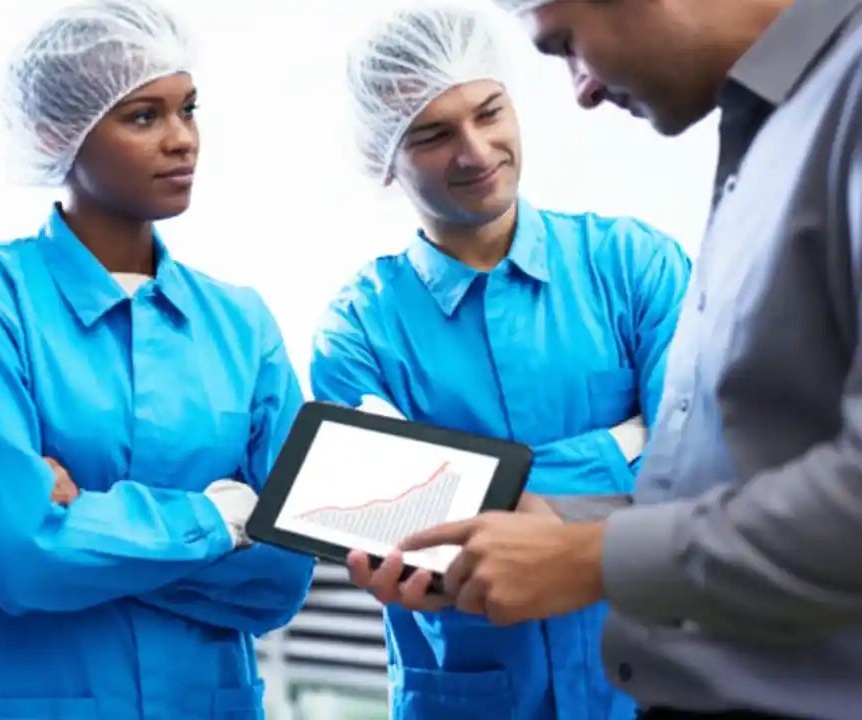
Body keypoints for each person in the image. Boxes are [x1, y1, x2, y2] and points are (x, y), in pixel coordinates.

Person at [357, 0, 862, 717]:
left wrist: (589, 553)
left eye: (566, 43)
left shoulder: (636, 252)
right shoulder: (774, 134)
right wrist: (583, 492)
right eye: (433, 134)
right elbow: (707, 481)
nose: (582, 88)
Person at [0, 1, 315, 717]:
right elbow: (16, 558)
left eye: (188, 109)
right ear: (55, 132)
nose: (182, 140)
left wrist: (86, 532)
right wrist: (222, 521)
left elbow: (283, 576)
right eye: (143, 117)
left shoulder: (242, 322)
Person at [312, 1, 691, 718]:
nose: (477, 151)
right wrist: (619, 449)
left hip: (644, 684)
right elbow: (401, 525)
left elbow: (697, 473)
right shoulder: (358, 329)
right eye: (433, 134)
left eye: (489, 113)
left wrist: (475, 486)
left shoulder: (635, 265)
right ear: (381, 157)